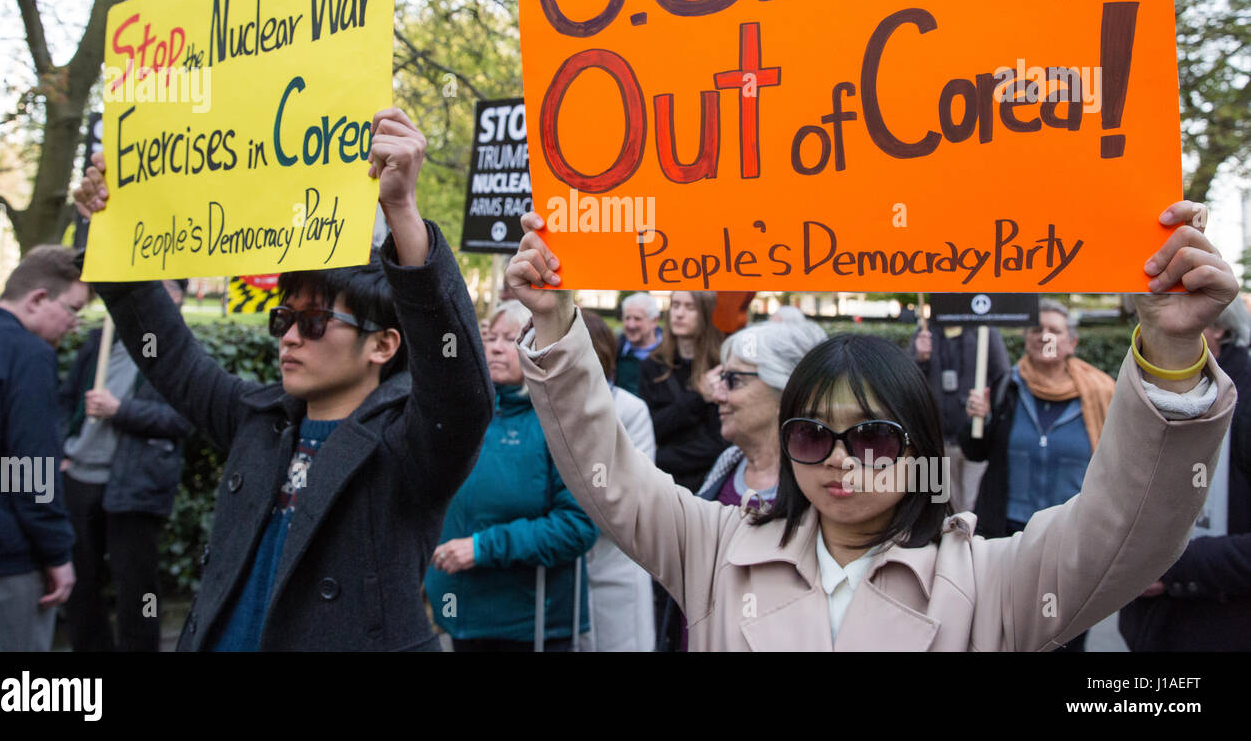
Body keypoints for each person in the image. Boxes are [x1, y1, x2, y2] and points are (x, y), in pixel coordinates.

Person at [505, 201, 1237, 650]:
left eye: (875, 437)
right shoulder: (714, 549)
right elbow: (607, 476)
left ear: (917, 446)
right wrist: (554, 324)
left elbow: (1128, 531)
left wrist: (1173, 353)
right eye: (812, 434)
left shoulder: (993, 581)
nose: (840, 459)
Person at [72, 107, 493, 650]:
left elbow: (460, 393)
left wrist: (403, 213)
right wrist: (110, 226)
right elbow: (170, 357)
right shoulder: (259, 419)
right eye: (284, 318)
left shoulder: (410, 447)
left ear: (384, 345)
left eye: (315, 322)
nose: (289, 337)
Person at [425, 301, 597, 651]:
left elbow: (579, 526)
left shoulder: (562, 421)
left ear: (541, 349)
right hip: (458, 615)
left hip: (527, 626)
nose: (495, 347)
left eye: (511, 338)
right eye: (490, 337)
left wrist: (483, 547)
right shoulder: (466, 413)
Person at [658, 319, 827, 651]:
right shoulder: (725, 466)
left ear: (786, 392)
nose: (718, 394)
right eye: (721, 378)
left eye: (733, 380)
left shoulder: (824, 491)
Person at [960, 300, 1115, 651]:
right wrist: (976, 420)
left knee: (1065, 635)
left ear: (1071, 343)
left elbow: (1120, 465)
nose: (1044, 335)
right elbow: (975, 452)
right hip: (1009, 536)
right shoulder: (1005, 388)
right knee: (1006, 633)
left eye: (1054, 330)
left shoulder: (1102, 394)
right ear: (1027, 338)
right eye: (1036, 329)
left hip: (1073, 539)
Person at [0, 246, 84, 650]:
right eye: (73, 309)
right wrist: (59, 555)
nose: (75, 325)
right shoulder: (28, 354)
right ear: (38, 299)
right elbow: (33, 472)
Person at [58, 278, 192, 651]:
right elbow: (65, 400)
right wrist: (63, 454)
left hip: (136, 483)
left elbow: (184, 420)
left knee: (138, 588)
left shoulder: (181, 352)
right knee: (80, 583)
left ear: (177, 298)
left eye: (160, 290)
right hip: (79, 476)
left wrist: (122, 411)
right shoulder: (100, 339)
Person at [1118, 297, 1251, 650]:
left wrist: (1173, 569)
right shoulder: (1145, 394)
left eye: (1176, 320)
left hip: (1220, 626)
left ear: (1219, 328)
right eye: (1147, 322)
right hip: (1150, 625)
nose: (1154, 334)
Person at [580, 308, 656, 651]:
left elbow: (636, 490)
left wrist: (565, 519)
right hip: (564, 567)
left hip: (616, 561)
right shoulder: (544, 408)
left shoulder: (630, 410)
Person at [908, 320, 1010, 512]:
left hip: (975, 436)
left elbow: (1001, 376)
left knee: (974, 506)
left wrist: (990, 413)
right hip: (937, 440)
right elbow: (908, 382)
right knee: (943, 507)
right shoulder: (924, 332)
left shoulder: (984, 330)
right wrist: (919, 358)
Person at [639, 290, 727, 491]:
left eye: (690, 307)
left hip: (709, 484)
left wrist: (659, 454)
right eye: (676, 305)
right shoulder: (652, 365)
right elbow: (650, 427)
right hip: (661, 484)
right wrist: (698, 397)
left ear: (706, 313)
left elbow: (720, 444)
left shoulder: (721, 367)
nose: (679, 314)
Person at [614, 292, 662, 395]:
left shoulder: (670, 353)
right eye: (627, 318)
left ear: (654, 321)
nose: (631, 325)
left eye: (637, 319)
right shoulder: (615, 350)